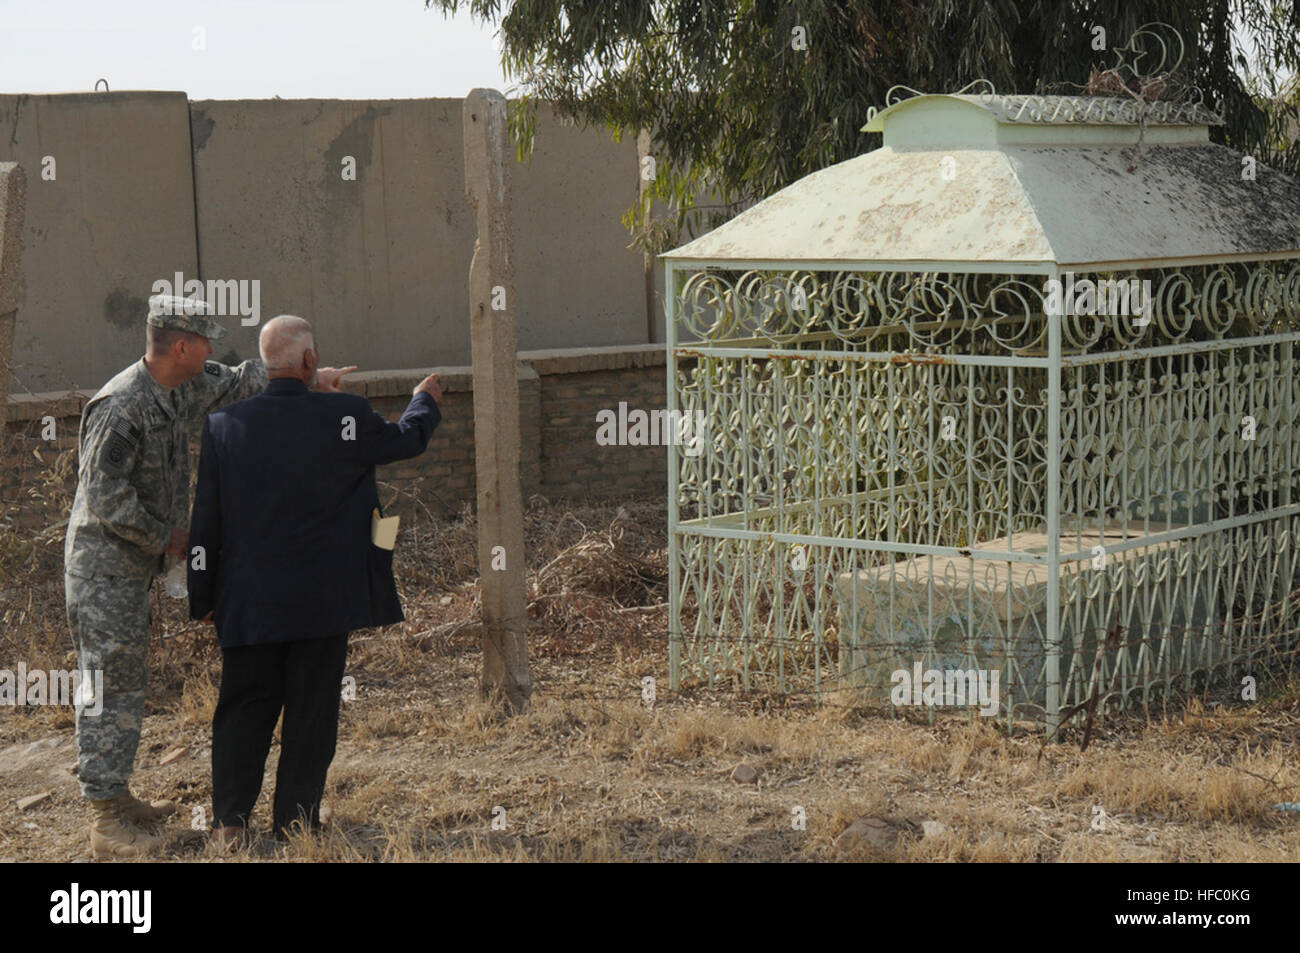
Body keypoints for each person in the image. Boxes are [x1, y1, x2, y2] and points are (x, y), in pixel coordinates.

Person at [64, 294, 352, 861]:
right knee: (106, 687)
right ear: (180, 346)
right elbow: (103, 499)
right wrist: (170, 539)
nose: (213, 350)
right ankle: (103, 816)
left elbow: (243, 380)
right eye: (205, 341)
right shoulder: (122, 406)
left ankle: (119, 800)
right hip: (102, 569)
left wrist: (312, 378)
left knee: (125, 684)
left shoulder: (181, 385)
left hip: (130, 567)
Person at [188, 314, 442, 847]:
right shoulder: (345, 415)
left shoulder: (224, 426)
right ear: (309, 360)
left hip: (249, 603)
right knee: (311, 711)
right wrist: (424, 398)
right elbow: (406, 439)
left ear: (265, 363)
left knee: (242, 710)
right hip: (322, 602)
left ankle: (230, 824)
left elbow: (205, 522)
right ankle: (296, 826)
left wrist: (203, 598)